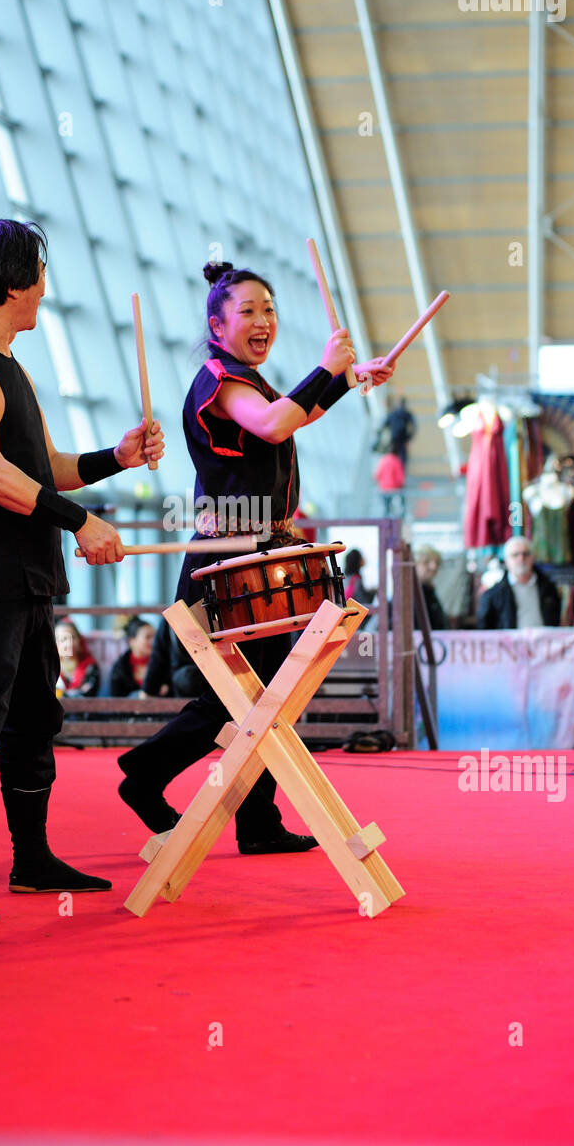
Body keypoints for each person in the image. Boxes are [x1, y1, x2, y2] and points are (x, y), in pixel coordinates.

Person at [0, 217, 164, 926]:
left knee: (29, 718)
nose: (46, 292)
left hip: (23, 561)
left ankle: (31, 859)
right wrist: (82, 522)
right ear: (16, 281)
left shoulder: (6, 365)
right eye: (41, 276)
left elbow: (42, 470)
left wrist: (117, 457)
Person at [117, 260, 393, 852]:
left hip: (260, 556)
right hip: (228, 562)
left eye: (269, 309)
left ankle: (248, 817)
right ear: (217, 326)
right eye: (248, 310)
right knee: (249, 696)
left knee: (266, 694)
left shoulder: (248, 380)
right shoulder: (219, 380)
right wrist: (328, 367)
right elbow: (271, 424)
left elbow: (295, 414)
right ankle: (149, 776)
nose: (263, 319)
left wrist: (350, 380)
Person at [477, 536, 560, 629]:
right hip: (509, 643)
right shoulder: (493, 594)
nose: (521, 559)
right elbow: (484, 629)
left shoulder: (548, 588)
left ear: (533, 558)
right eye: (515, 555)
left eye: (525, 554)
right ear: (506, 560)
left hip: (543, 642)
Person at [143, 616, 207, 698]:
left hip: (187, 688)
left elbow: (158, 658)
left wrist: (148, 691)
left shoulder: (172, 616)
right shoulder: (219, 608)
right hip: (217, 682)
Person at [109, 617, 155, 697]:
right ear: (132, 641)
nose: (153, 641)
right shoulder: (120, 667)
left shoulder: (162, 663)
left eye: (155, 636)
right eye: (147, 637)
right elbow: (116, 700)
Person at [55, 619, 100, 699]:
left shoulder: (90, 667)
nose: (68, 643)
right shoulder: (47, 669)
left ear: (80, 640)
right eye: (63, 639)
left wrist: (61, 694)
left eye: (72, 637)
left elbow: (87, 696)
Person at [414, 546, 447, 631]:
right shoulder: (409, 592)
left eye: (437, 563)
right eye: (426, 562)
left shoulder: (429, 590)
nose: (433, 567)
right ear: (415, 564)